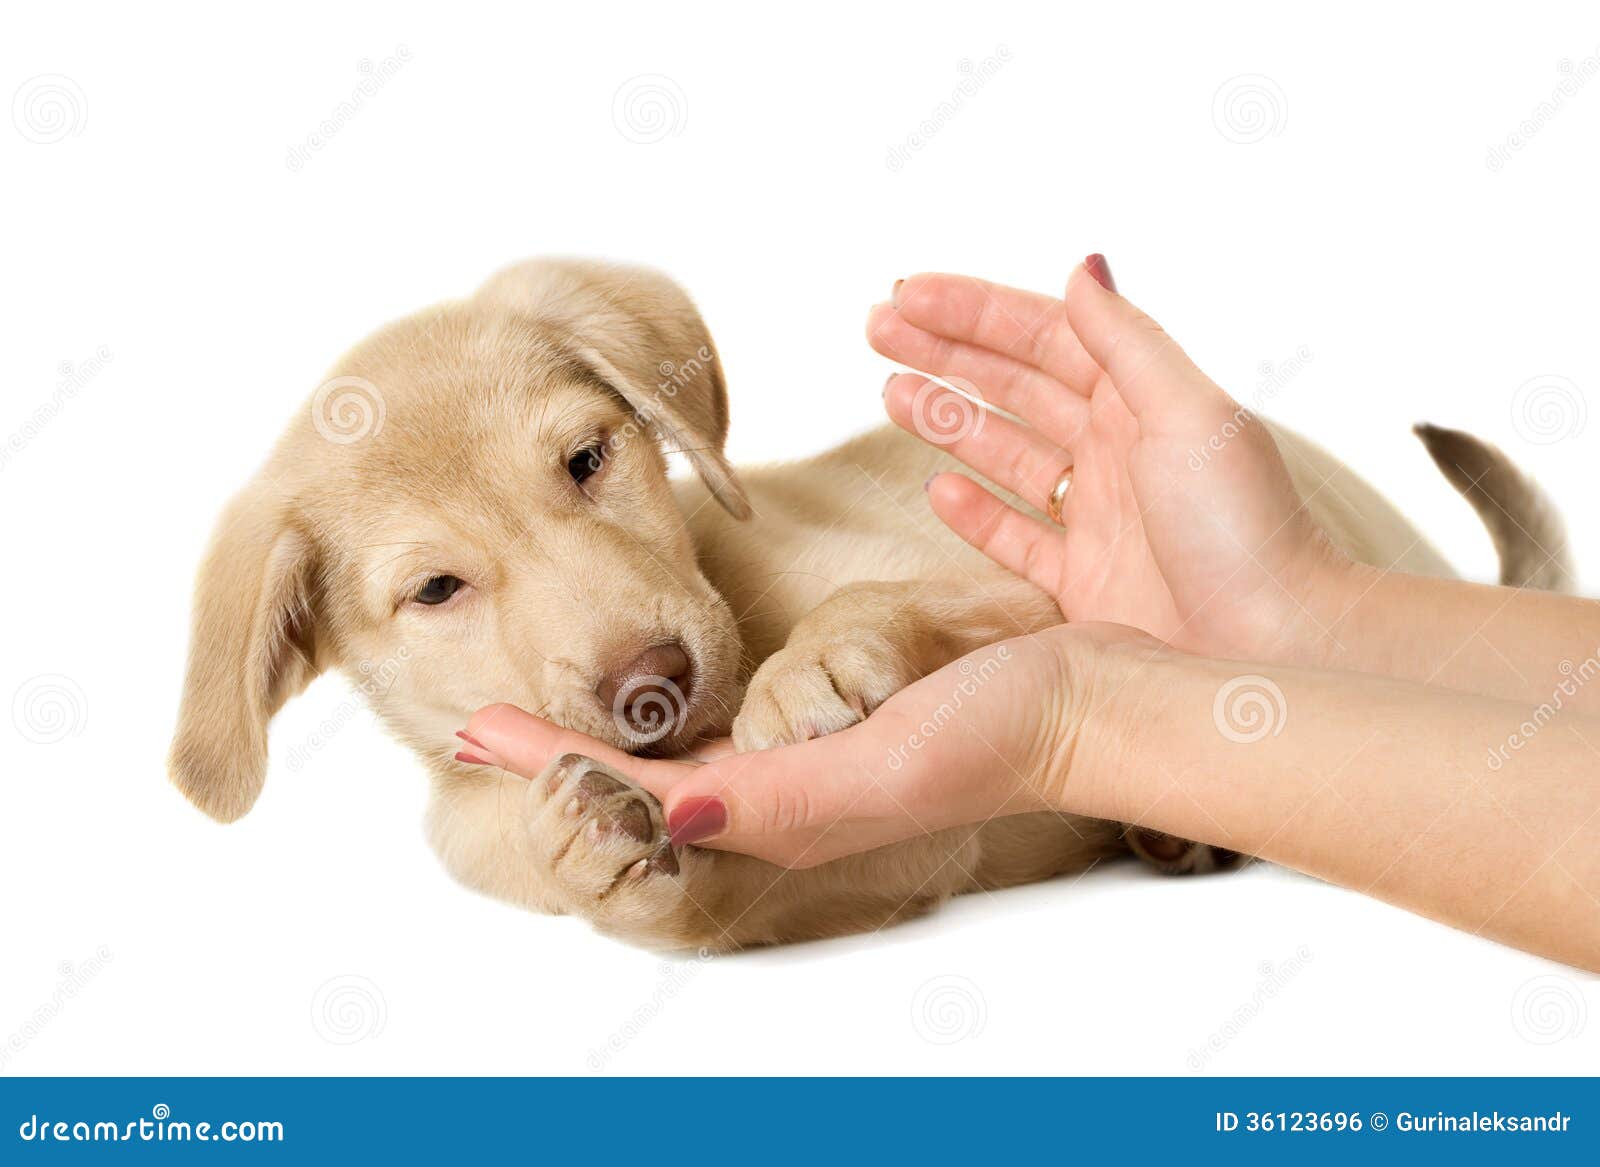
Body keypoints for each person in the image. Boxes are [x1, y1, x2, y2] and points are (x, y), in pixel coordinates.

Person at [459, 257, 1600, 970]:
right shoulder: (481, 830)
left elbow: (923, 810)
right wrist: (1297, 623)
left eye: (583, 460)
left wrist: (898, 638)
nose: (603, 627)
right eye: (437, 587)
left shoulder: (768, 553)